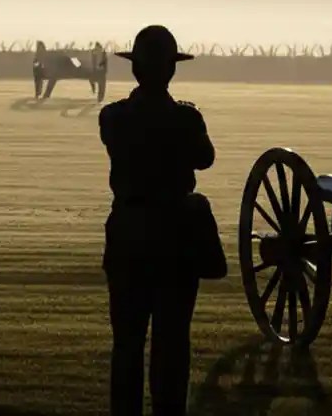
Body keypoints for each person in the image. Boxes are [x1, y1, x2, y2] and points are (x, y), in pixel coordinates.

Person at [99, 24, 215, 416]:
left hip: (129, 235)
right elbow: (205, 158)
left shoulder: (113, 117)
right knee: (171, 342)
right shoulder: (187, 119)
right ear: (171, 71)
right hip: (175, 239)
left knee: (127, 343)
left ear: (135, 70)